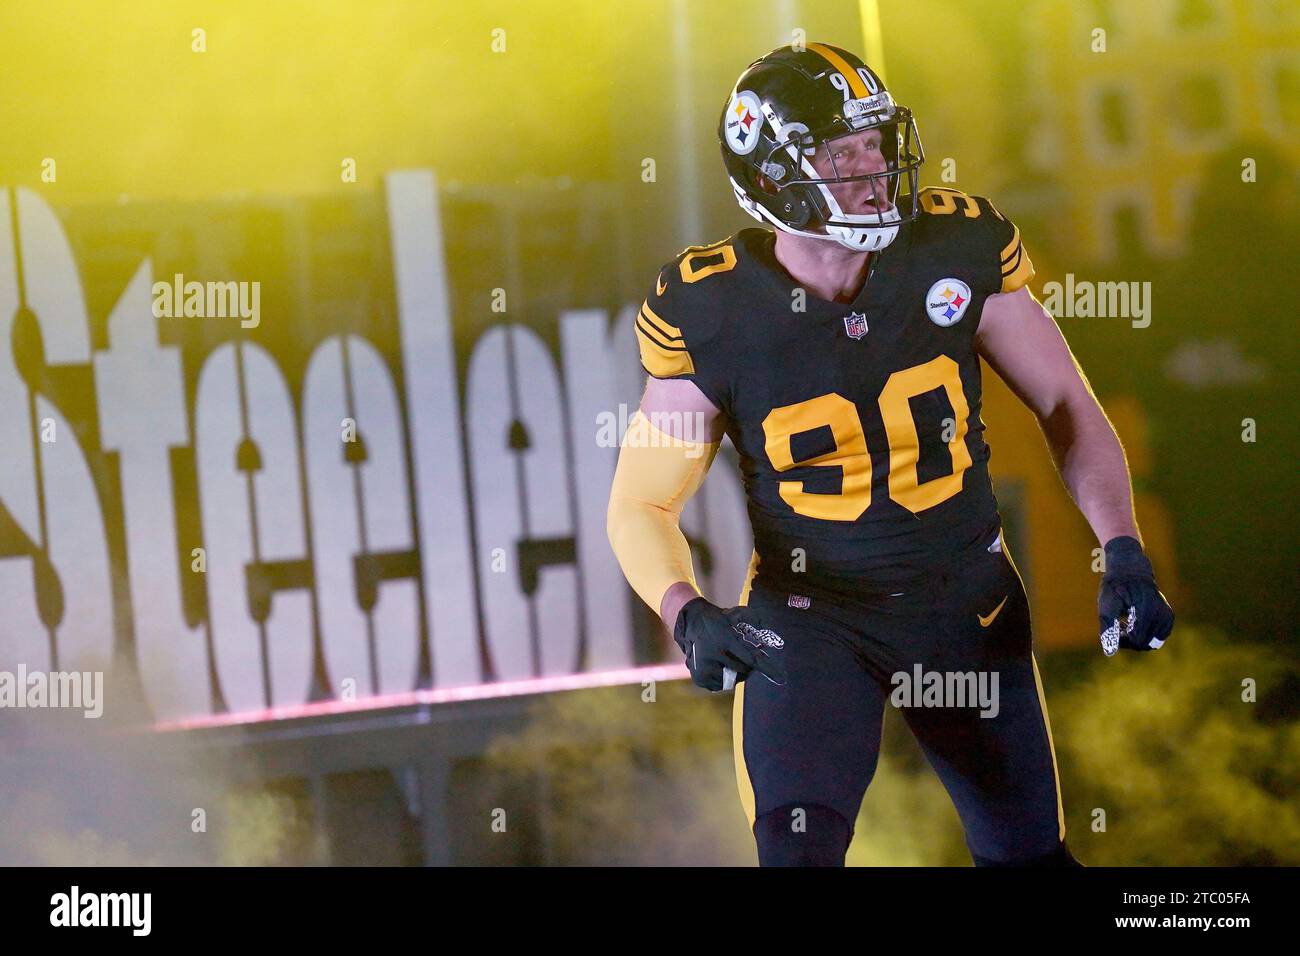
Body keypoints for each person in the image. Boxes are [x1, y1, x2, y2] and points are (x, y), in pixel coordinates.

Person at [606, 43, 1173, 866]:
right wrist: (683, 609)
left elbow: (1065, 405)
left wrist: (1121, 546)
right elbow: (641, 504)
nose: (873, 171)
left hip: (964, 599)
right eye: (841, 154)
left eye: (876, 144)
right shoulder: (713, 307)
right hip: (811, 622)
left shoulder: (956, 245)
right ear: (771, 175)